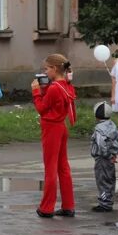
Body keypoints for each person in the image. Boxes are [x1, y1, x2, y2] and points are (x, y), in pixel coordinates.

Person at [31, 53, 77, 218]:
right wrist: (44, 90)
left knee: (50, 168)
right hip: (61, 127)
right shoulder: (65, 85)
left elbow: (42, 108)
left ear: (55, 68)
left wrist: (36, 92)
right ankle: (68, 205)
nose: (45, 72)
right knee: (63, 167)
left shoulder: (54, 88)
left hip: (51, 129)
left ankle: (46, 207)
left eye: (47, 69)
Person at [90, 102, 118, 212]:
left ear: (96, 115)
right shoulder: (113, 125)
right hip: (111, 157)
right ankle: (109, 201)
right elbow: (116, 141)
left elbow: (101, 144)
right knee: (110, 179)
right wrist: (113, 155)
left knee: (102, 180)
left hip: (102, 158)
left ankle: (104, 204)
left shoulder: (99, 129)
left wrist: (106, 154)